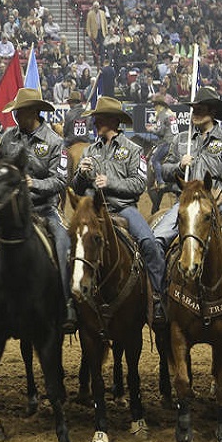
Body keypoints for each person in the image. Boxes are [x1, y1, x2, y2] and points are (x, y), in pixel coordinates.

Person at [152, 87, 222, 338]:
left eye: (200, 109)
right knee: (156, 240)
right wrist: (178, 166)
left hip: (218, 202)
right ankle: (159, 302)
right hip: (186, 203)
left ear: (212, 112)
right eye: (193, 109)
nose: (195, 113)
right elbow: (166, 167)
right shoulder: (182, 140)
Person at [0, 88, 72, 329]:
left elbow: (60, 180)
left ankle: (67, 304)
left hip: (44, 208)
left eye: (21, 111)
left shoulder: (55, 142)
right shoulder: (7, 138)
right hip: (11, 210)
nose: (16, 115)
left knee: (63, 242)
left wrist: (33, 183)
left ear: (35, 111)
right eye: (15, 111)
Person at [71, 97, 167, 325]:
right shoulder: (89, 150)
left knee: (150, 243)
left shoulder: (133, 150)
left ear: (114, 121)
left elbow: (139, 184)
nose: (95, 122)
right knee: (72, 245)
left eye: (100, 118)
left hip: (124, 208)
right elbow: (76, 187)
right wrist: (81, 175)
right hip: (95, 211)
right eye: (95, 118)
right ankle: (71, 304)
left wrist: (110, 182)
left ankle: (157, 298)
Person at [149, 94, 178, 187]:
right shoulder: (170, 114)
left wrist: (151, 130)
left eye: (155, 106)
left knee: (155, 160)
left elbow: (160, 132)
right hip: (176, 142)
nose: (154, 108)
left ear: (158, 105)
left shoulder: (161, 115)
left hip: (167, 142)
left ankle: (160, 181)